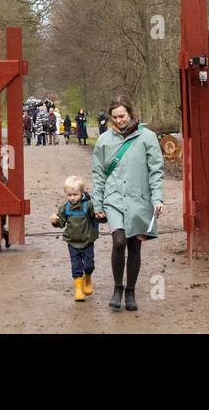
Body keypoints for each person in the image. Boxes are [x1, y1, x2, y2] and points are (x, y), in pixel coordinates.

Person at [91, 96, 163, 312]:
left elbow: (156, 171)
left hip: (139, 199)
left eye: (122, 116)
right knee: (119, 241)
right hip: (113, 199)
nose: (119, 120)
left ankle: (130, 291)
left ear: (130, 113)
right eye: (114, 117)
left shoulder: (148, 137)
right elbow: (98, 173)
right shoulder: (104, 140)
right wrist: (97, 204)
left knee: (134, 245)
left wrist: (157, 198)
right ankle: (117, 288)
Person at [49, 175, 99, 301]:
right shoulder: (65, 207)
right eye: (69, 195)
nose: (72, 198)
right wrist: (55, 221)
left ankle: (87, 279)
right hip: (72, 242)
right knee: (76, 267)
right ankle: (78, 290)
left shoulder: (88, 205)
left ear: (82, 193)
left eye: (75, 194)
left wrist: (100, 214)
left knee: (89, 265)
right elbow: (61, 222)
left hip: (87, 241)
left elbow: (97, 216)